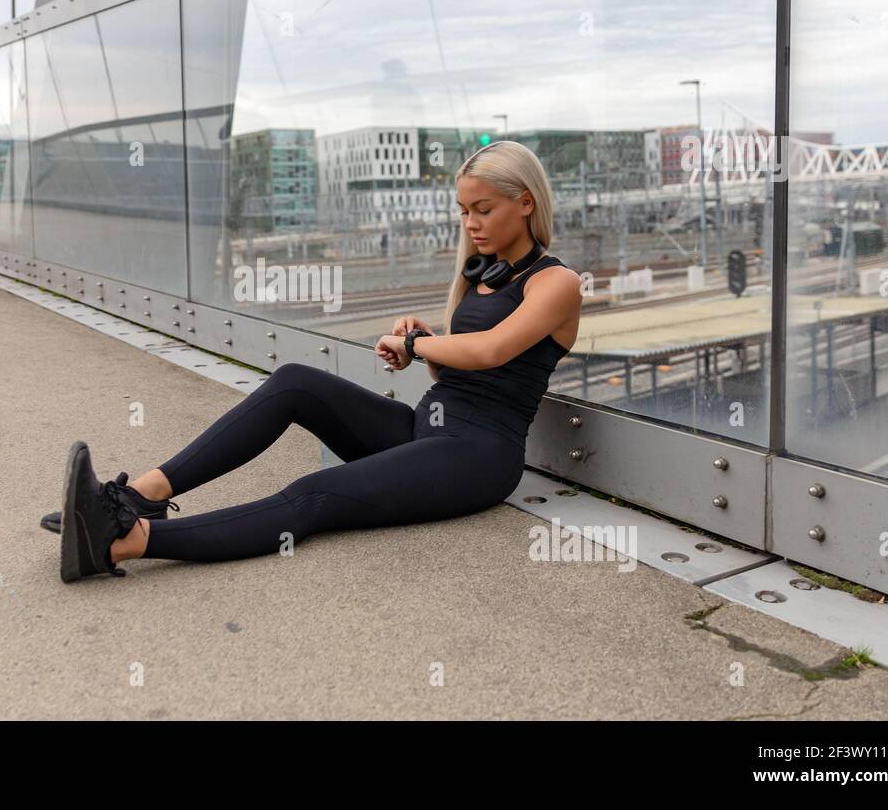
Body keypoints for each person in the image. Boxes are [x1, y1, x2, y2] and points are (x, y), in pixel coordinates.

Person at [49, 140, 583, 581]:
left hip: (478, 457)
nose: (471, 225)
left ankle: (121, 543)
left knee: (315, 494)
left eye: (484, 210)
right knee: (295, 382)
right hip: (428, 427)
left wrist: (417, 345)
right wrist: (425, 343)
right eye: (464, 212)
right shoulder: (480, 275)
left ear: (527, 202)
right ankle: (139, 496)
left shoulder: (556, 283)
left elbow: (492, 351)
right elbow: (460, 372)